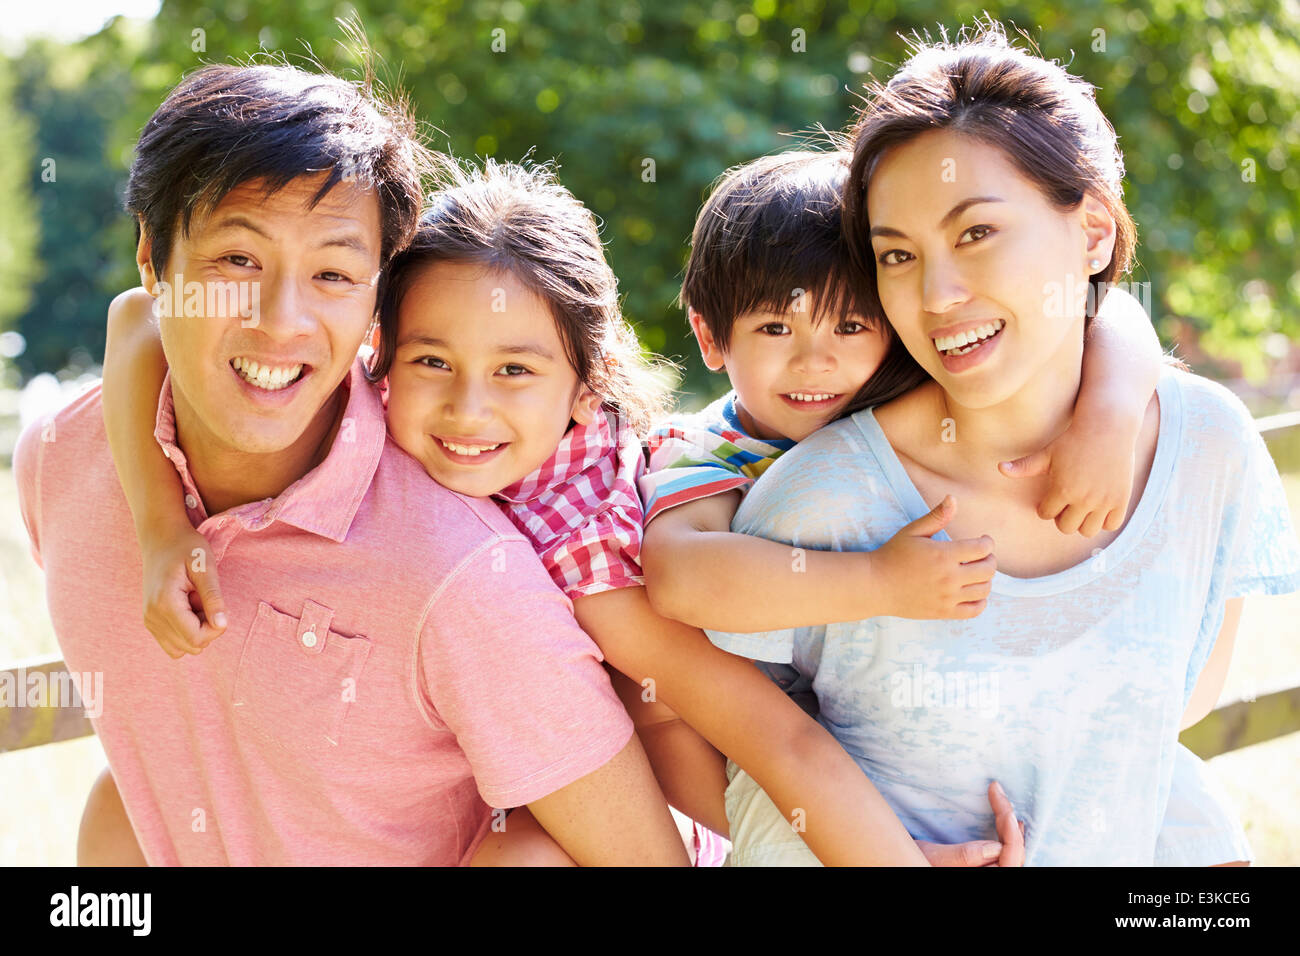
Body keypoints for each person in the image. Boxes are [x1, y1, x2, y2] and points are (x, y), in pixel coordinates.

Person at [89, 157, 1028, 867]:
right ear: (380, 349)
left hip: (694, 808)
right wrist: (159, 525)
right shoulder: (351, 390)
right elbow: (139, 316)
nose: (467, 410)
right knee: (110, 810)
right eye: (432, 363)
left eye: (515, 372)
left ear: (586, 385)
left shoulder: (596, 558)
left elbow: (771, 740)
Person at [14, 60, 687, 866]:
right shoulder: (62, 461)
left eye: (332, 273)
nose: (281, 321)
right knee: (114, 811)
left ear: (374, 302)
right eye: (237, 262)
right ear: (154, 260)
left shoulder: (467, 575)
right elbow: (138, 694)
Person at [694, 24, 1300, 865]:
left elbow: (1171, 716)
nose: (937, 294)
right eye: (897, 255)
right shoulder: (820, 501)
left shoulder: (1207, 448)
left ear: (1090, 232)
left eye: (977, 232)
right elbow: (726, 755)